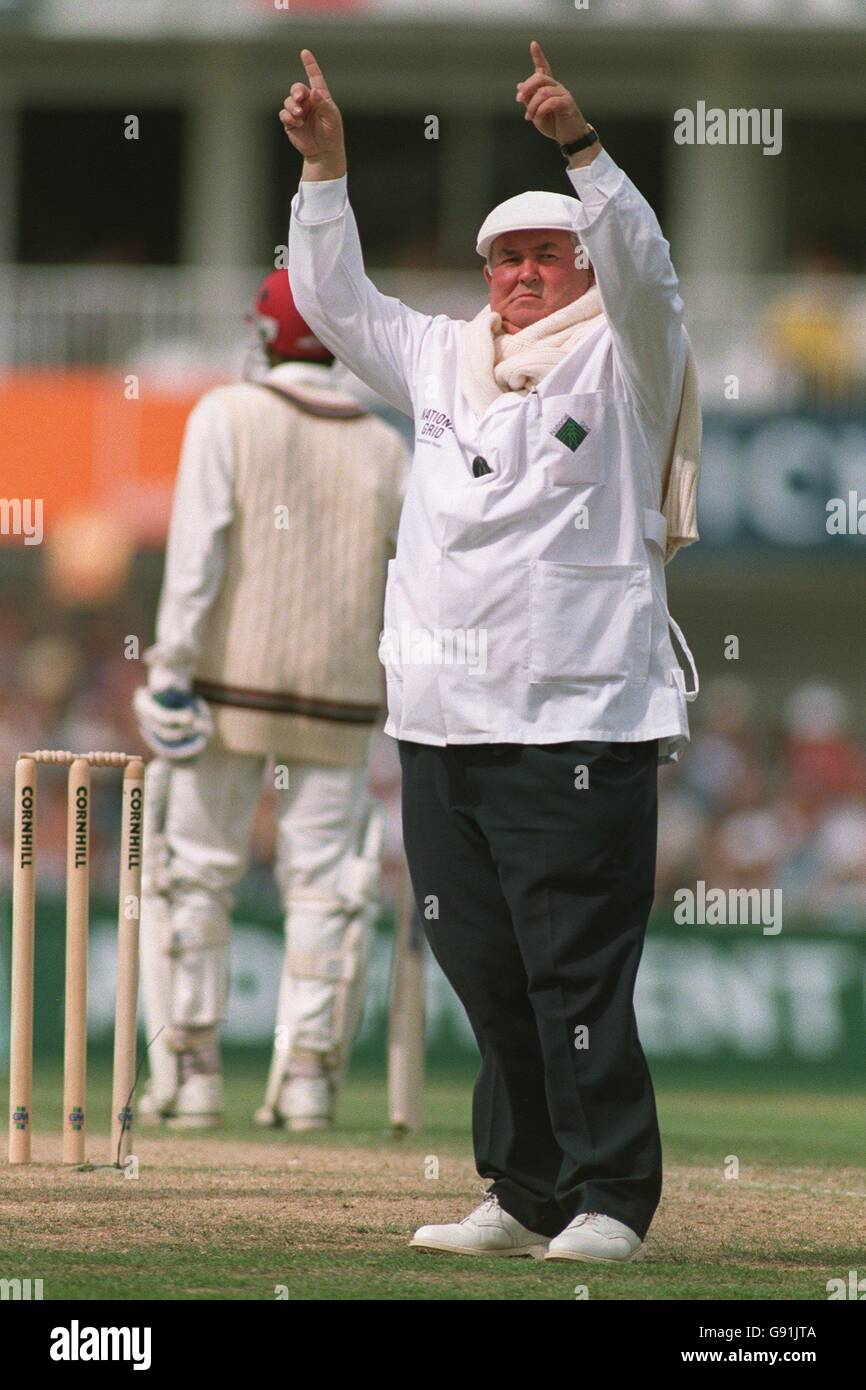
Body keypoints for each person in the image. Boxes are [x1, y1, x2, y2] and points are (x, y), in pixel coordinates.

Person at [282, 40, 701, 1262]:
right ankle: (521, 1192)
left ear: (579, 264)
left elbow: (650, 275)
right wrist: (324, 172)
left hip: (577, 715)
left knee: (573, 973)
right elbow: (332, 304)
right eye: (505, 258)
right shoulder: (440, 358)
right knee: (484, 967)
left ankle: (610, 1198)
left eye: (545, 254)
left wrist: (581, 151)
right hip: (440, 715)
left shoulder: (625, 356)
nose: (522, 275)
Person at [133, 270, 409, 1130]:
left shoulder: (228, 413)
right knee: (327, 886)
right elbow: (408, 583)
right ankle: (308, 1081)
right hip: (342, 693)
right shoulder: (385, 443)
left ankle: (193, 1072)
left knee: (194, 871)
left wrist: (171, 665)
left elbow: (198, 552)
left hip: (225, 686)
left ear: (265, 336)